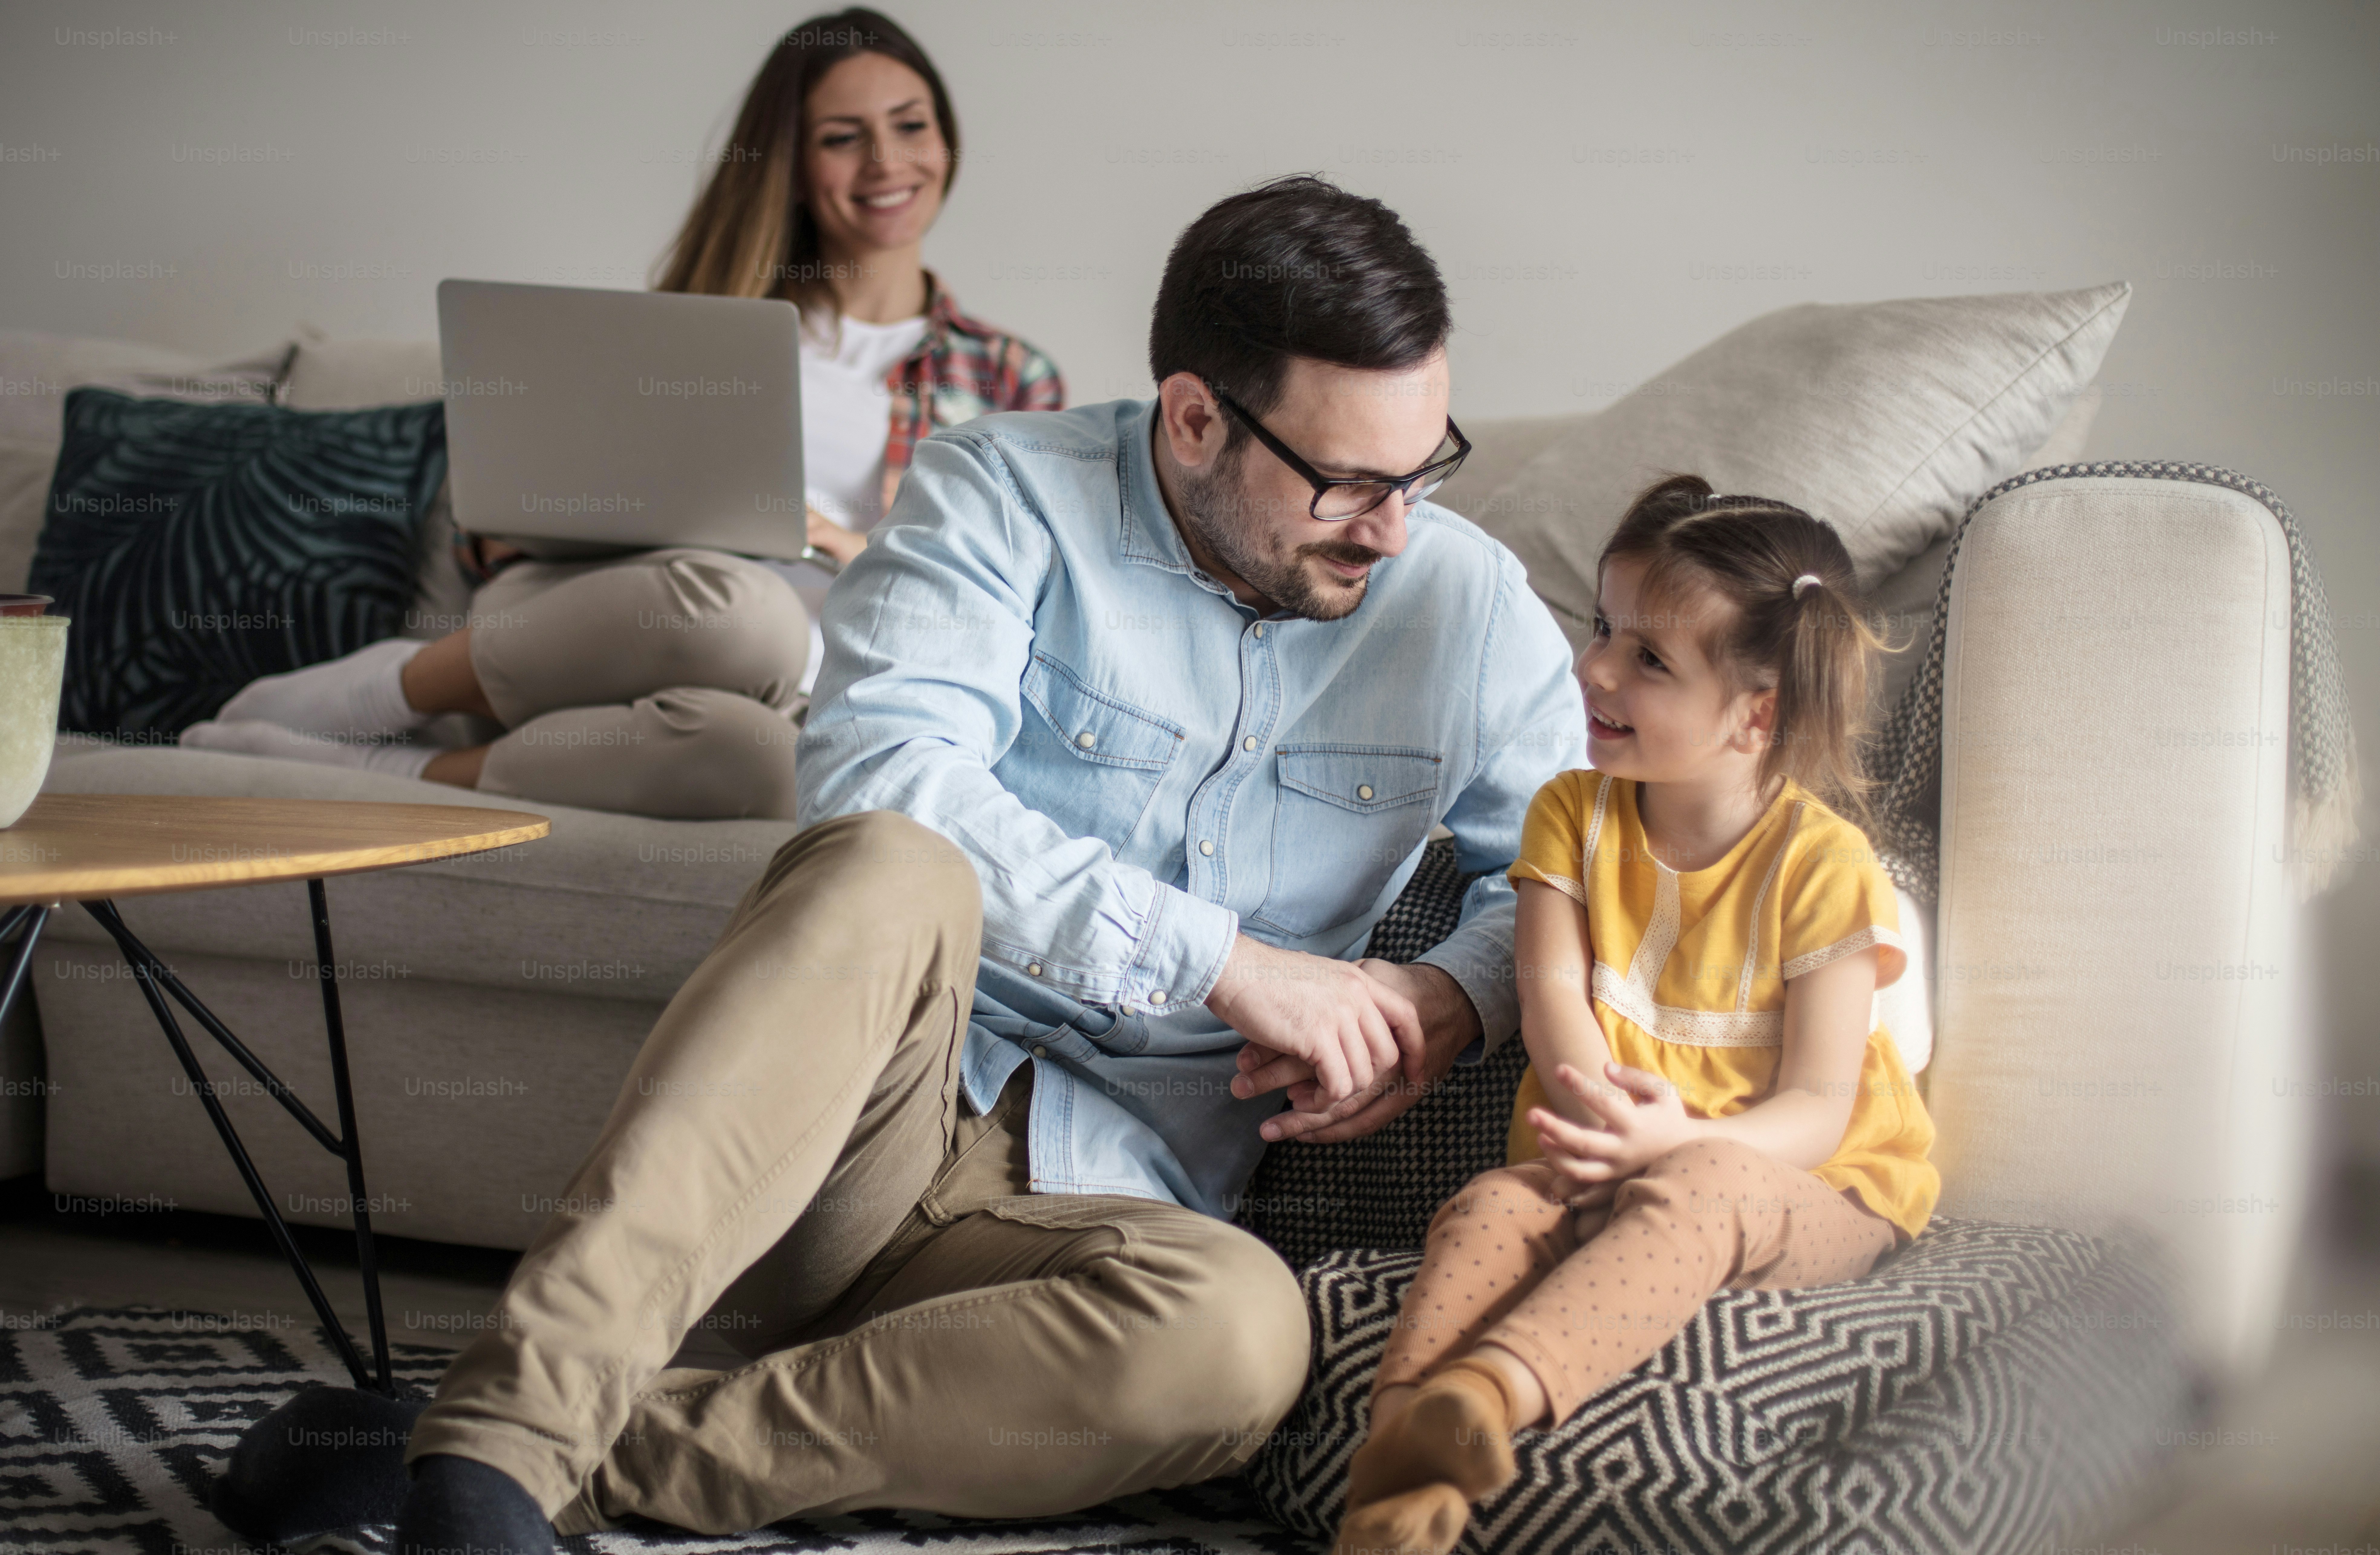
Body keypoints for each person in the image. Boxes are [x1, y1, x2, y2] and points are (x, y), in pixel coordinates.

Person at [206, 174, 1585, 1551]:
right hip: (855, 1136)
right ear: (1193, 416)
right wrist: (1221, 962)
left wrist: (1449, 997)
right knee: (892, 860)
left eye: (1423, 471)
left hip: (1101, 1218)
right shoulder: (1003, 491)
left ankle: (495, 1457)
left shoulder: (1467, 608)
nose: (1394, 526)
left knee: (1240, 1336)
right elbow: (878, 770)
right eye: (1349, 483)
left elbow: (1563, 865)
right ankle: (511, 1442)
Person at [180, 8, 1061, 820]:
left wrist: (829, 542)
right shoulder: (684, 329)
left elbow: (1015, 617)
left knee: (760, 766)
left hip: (822, 681)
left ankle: (372, 772)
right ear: (792, 166)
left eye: (911, 125)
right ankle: (386, 692)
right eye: (843, 138)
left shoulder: (1014, 380)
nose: (886, 164)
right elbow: (486, 534)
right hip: (624, 615)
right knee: (744, 616)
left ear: (947, 138)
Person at [1330, 475, 1941, 1555]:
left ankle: (1487, 1398)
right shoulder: (1573, 813)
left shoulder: (1824, 865)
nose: (1594, 667)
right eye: (1603, 629)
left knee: (1698, 1188)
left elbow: (1820, 1105)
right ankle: (1396, 1478)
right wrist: (1602, 1117)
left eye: (1648, 660)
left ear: (1758, 715)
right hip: (1597, 1151)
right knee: (1486, 1210)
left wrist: (1678, 1144)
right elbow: (1551, 991)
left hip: (1808, 1183)